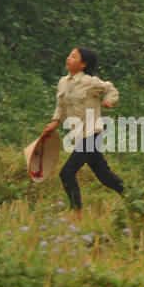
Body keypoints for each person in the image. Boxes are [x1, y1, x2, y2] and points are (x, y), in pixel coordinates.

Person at [38, 46, 124, 218]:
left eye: (74, 56)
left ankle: (76, 214)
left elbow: (110, 88)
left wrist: (109, 101)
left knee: (67, 172)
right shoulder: (62, 82)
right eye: (69, 55)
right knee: (104, 176)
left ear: (83, 64)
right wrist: (54, 123)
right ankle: (135, 196)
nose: (69, 58)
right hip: (78, 135)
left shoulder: (90, 82)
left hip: (92, 134)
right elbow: (60, 108)